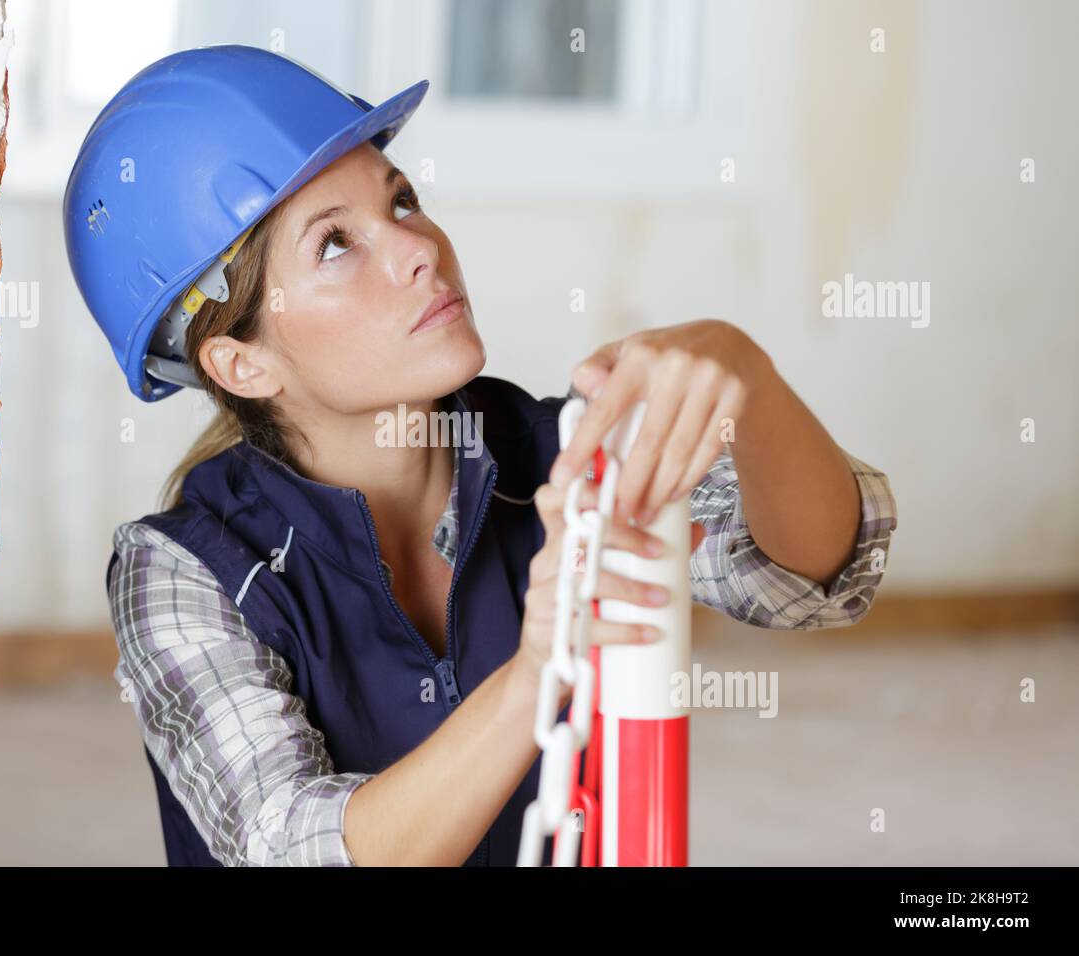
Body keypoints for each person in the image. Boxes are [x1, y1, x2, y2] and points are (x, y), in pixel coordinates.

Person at [64, 45, 898, 867]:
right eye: (334, 244)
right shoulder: (181, 574)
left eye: (400, 200)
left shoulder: (559, 456)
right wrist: (536, 670)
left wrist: (745, 379)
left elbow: (815, 577)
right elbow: (293, 849)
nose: (419, 246)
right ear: (242, 363)